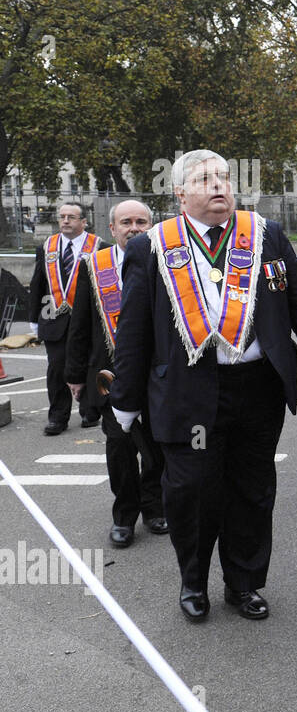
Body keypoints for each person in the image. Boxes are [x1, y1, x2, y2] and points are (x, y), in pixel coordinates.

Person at [110, 149, 297, 621]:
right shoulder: (150, 247)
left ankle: (244, 583)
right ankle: (193, 581)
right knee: (192, 494)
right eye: (205, 179)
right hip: (188, 390)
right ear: (179, 192)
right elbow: (133, 332)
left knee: (252, 491)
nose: (218, 186)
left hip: (256, 388)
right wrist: (125, 399)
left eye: (225, 177)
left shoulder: (266, 235)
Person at [65, 200, 166, 549]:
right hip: (108, 376)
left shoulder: (166, 261)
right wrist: (75, 374)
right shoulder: (94, 266)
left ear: (151, 225)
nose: (134, 228)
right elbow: (78, 326)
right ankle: (124, 515)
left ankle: (155, 507)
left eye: (141, 221)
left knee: (156, 445)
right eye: (126, 222)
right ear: (112, 228)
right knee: (119, 448)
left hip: (156, 373)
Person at [31, 201, 101, 435]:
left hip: (88, 320)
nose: (65, 221)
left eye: (71, 217)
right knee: (56, 368)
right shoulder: (47, 247)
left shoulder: (100, 247)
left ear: (84, 221)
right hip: (54, 319)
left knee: (90, 364)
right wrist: (33, 318)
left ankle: (90, 411)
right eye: (62, 216)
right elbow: (38, 284)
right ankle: (57, 418)